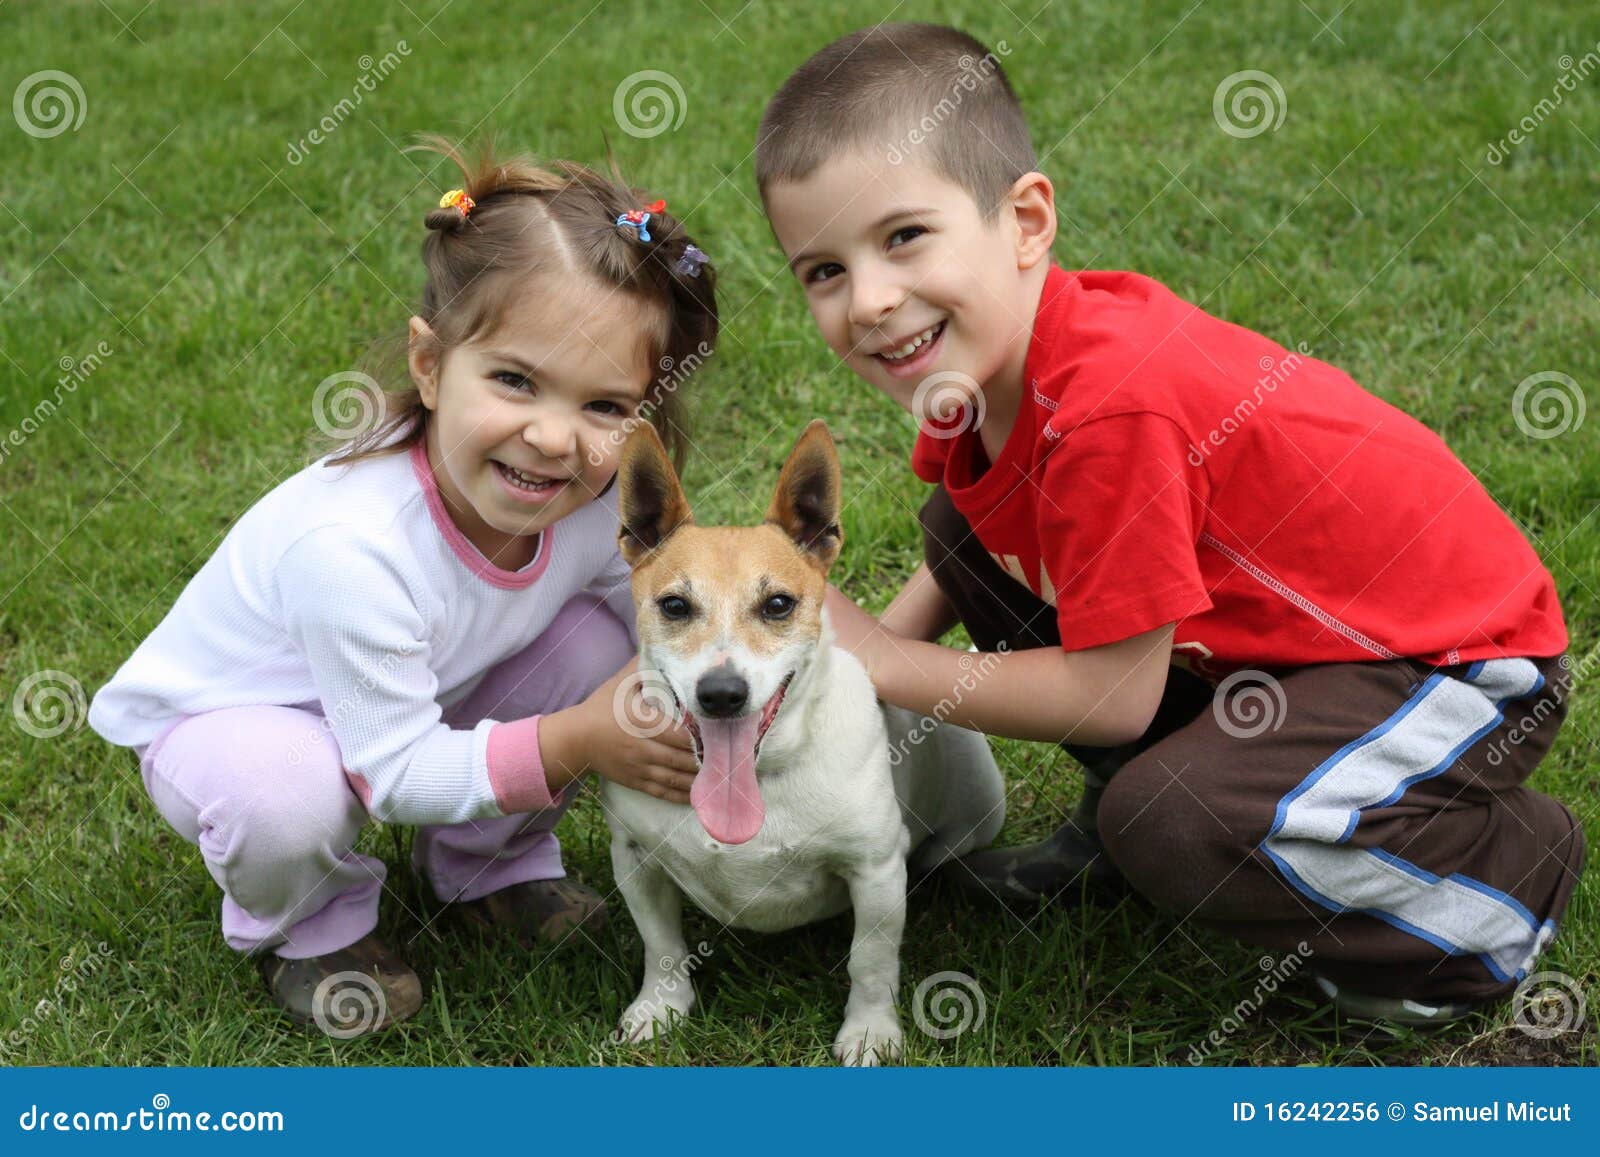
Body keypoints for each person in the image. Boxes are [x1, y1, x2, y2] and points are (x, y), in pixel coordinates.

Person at [754, 23, 1584, 1024]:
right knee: (962, 536)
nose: (870, 299)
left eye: (902, 237)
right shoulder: (983, 383)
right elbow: (961, 548)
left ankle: (1507, 881)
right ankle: (1127, 826)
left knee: (1175, 821)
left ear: (1026, 220)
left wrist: (884, 661)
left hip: (1457, 664)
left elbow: (1109, 693)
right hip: (1295, 654)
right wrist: (835, 676)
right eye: (823, 270)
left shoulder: (1110, 406)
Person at [87, 137, 717, 1035]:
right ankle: (314, 923)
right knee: (287, 798)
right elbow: (391, 771)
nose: (552, 437)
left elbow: (684, 613)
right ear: (429, 366)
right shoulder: (352, 546)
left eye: (604, 405)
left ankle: (481, 865)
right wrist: (579, 738)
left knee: (611, 643)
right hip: (248, 728)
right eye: (515, 380)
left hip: (420, 694)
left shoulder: (594, 504)